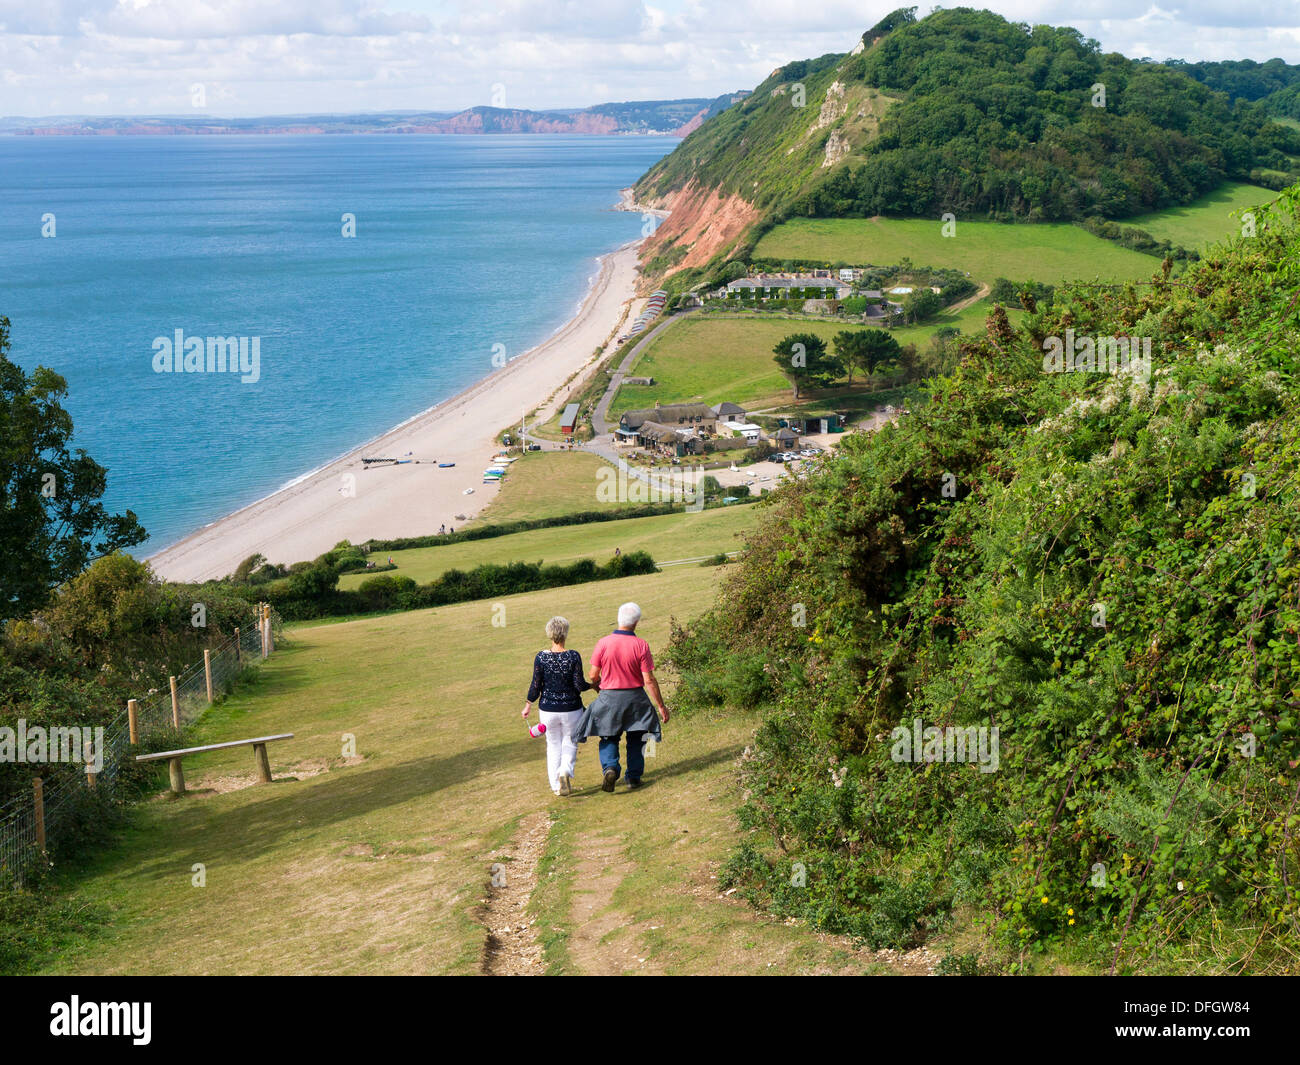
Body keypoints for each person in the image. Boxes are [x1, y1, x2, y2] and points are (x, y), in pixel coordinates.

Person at [576, 602, 669, 792]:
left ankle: (610, 768)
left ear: (618, 619)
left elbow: (593, 676)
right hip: (636, 699)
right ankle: (633, 777)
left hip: (609, 698)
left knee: (608, 737)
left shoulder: (603, 643)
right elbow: (648, 679)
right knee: (637, 738)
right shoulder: (641, 645)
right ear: (636, 623)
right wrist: (660, 705)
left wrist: (600, 687)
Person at [522, 616, 591, 796]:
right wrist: (593, 685)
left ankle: (556, 787)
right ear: (565, 633)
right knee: (570, 741)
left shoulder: (541, 657)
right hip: (571, 708)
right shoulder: (573, 656)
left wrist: (528, 704)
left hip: (548, 710)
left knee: (552, 746)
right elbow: (579, 685)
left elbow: (535, 685)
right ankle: (565, 771)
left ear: (550, 634)